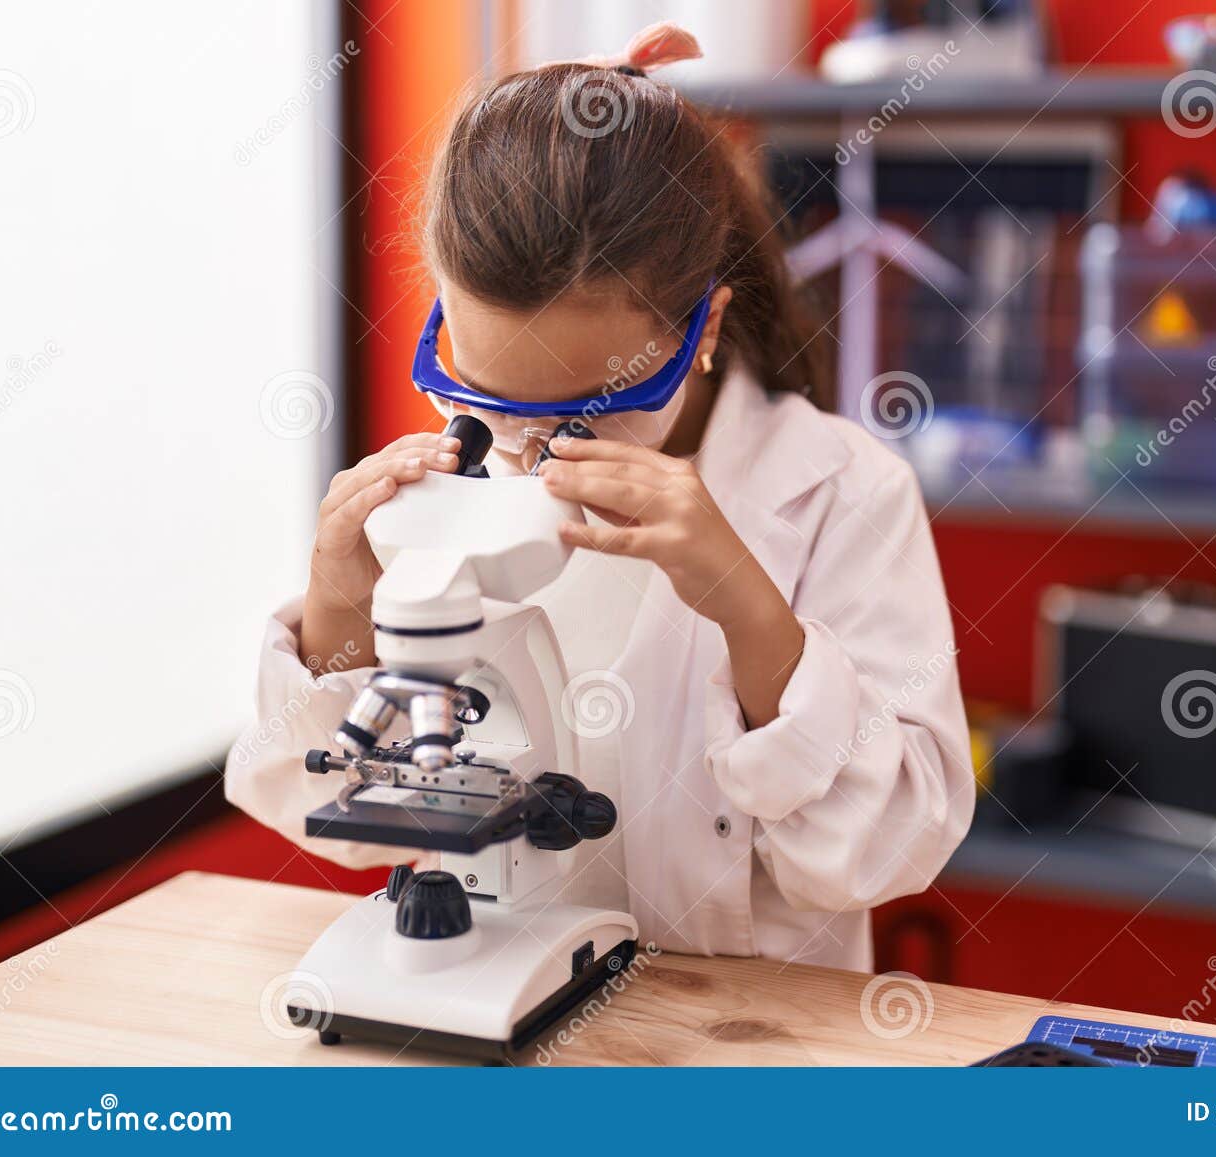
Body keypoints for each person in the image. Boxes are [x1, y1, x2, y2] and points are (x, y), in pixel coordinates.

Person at [225, 22, 972, 970]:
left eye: (587, 407)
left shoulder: (843, 491)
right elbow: (333, 817)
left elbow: (892, 847)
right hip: (510, 1007)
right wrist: (340, 609)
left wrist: (746, 608)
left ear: (703, 330)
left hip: (748, 1040)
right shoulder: (447, 495)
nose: (533, 448)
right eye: (489, 396)